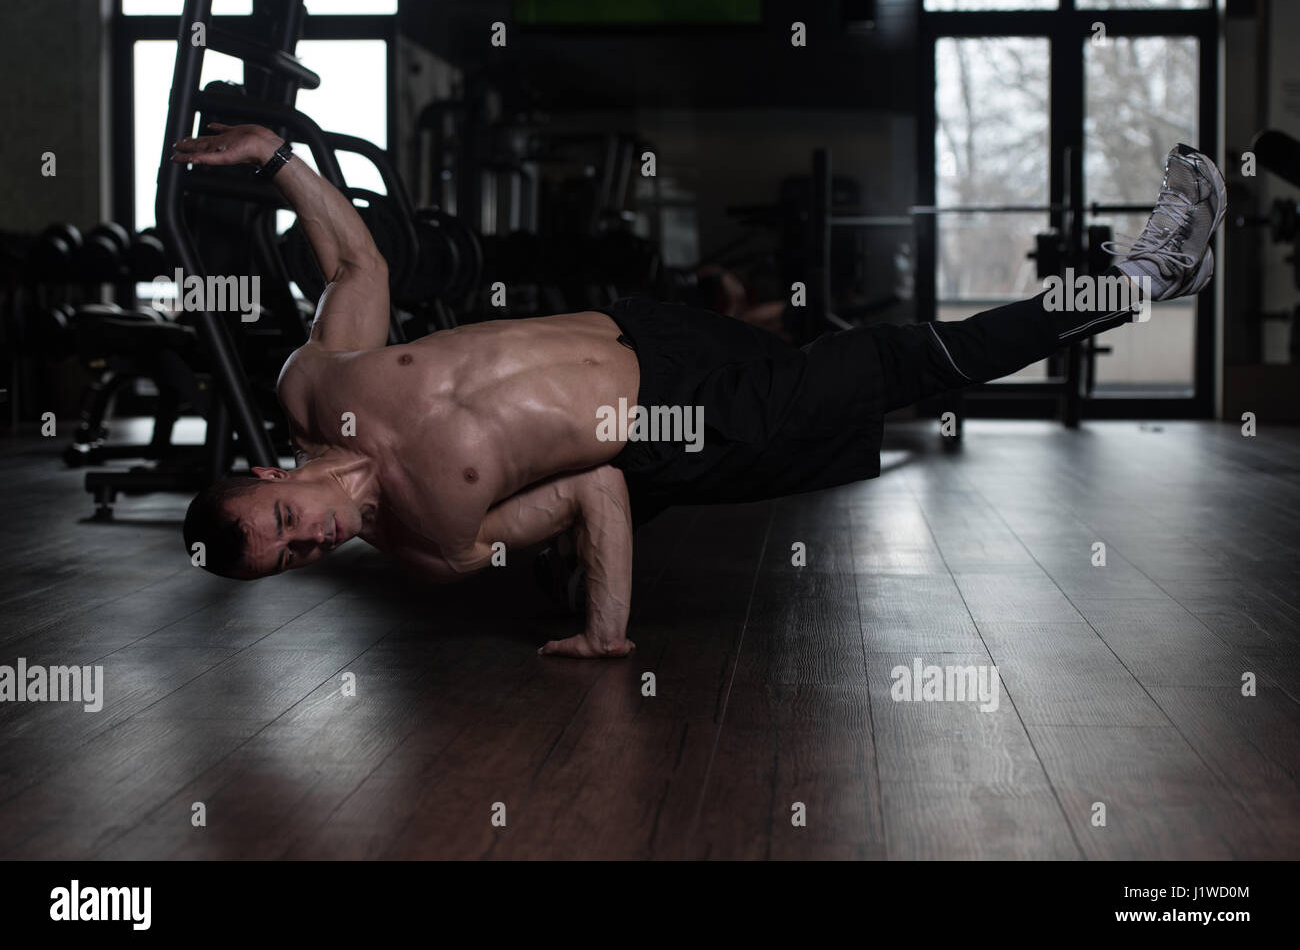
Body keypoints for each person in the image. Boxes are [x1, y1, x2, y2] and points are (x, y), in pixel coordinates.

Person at [175, 126, 1226, 658]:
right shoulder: (434, 541)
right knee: (894, 362)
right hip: (679, 427)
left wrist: (279, 163)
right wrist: (606, 629)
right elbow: (595, 492)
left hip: (651, 332)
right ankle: (1141, 275)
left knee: (866, 357)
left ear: (268, 473)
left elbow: (360, 272)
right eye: (294, 559)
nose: (312, 542)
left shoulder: (316, 382)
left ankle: (1134, 282)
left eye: (284, 520)